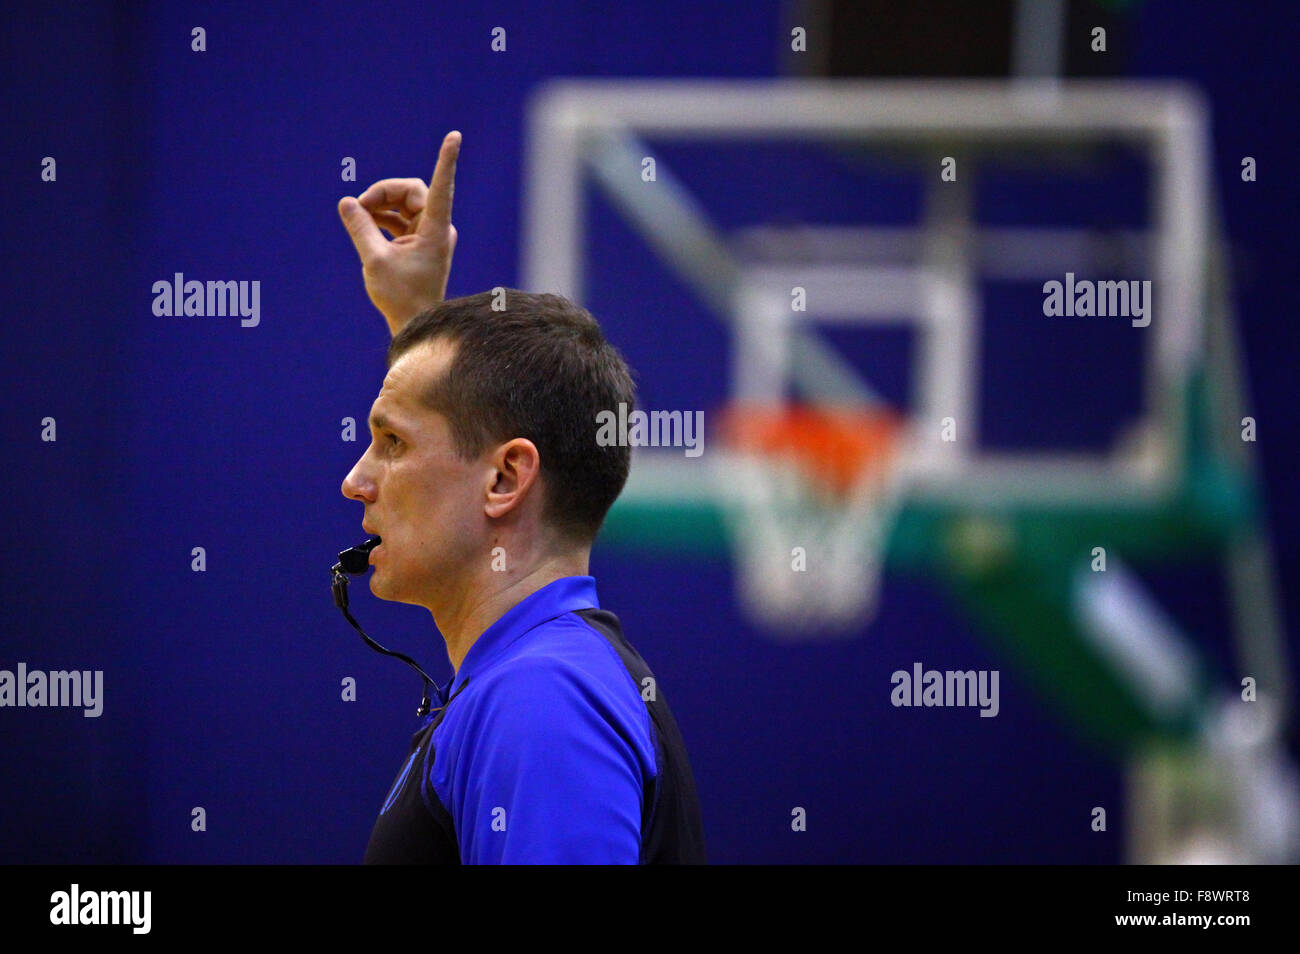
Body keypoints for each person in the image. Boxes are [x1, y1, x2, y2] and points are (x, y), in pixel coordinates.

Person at [336, 132, 706, 864]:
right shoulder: (540, 678)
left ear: (506, 479)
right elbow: (466, 424)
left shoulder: (544, 701)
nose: (357, 481)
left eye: (392, 443)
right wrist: (416, 324)